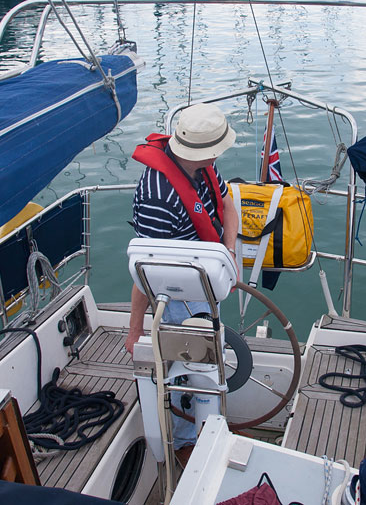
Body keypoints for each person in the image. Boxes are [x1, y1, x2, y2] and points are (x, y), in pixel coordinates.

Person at [126, 102, 239, 464]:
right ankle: (185, 442)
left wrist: (229, 254)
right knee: (185, 368)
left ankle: (210, 424)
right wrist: (134, 331)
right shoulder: (157, 197)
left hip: (209, 273)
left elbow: (227, 204)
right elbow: (147, 271)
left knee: (208, 362)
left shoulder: (203, 168)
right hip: (177, 292)